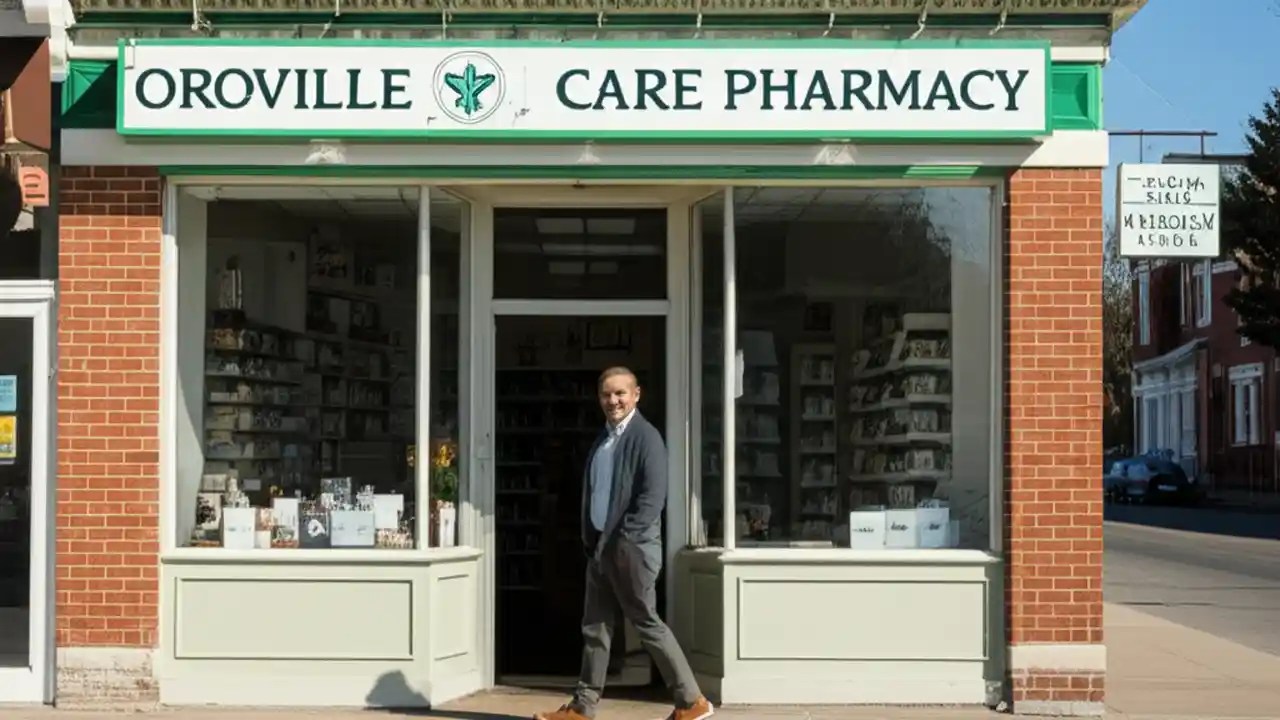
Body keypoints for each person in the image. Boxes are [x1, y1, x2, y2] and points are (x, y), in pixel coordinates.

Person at [535, 367, 714, 720]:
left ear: (636, 395)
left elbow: (653, 497)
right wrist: (594, 539)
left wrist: (627, 540)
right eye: (606, 394)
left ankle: (692, 702)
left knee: (646, 623)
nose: (612, 400)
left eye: (620, 393)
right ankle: (583, 707)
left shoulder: (646, 437)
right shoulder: (604, 440)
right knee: (596, 628)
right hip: (602, 549)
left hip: (629, 549)